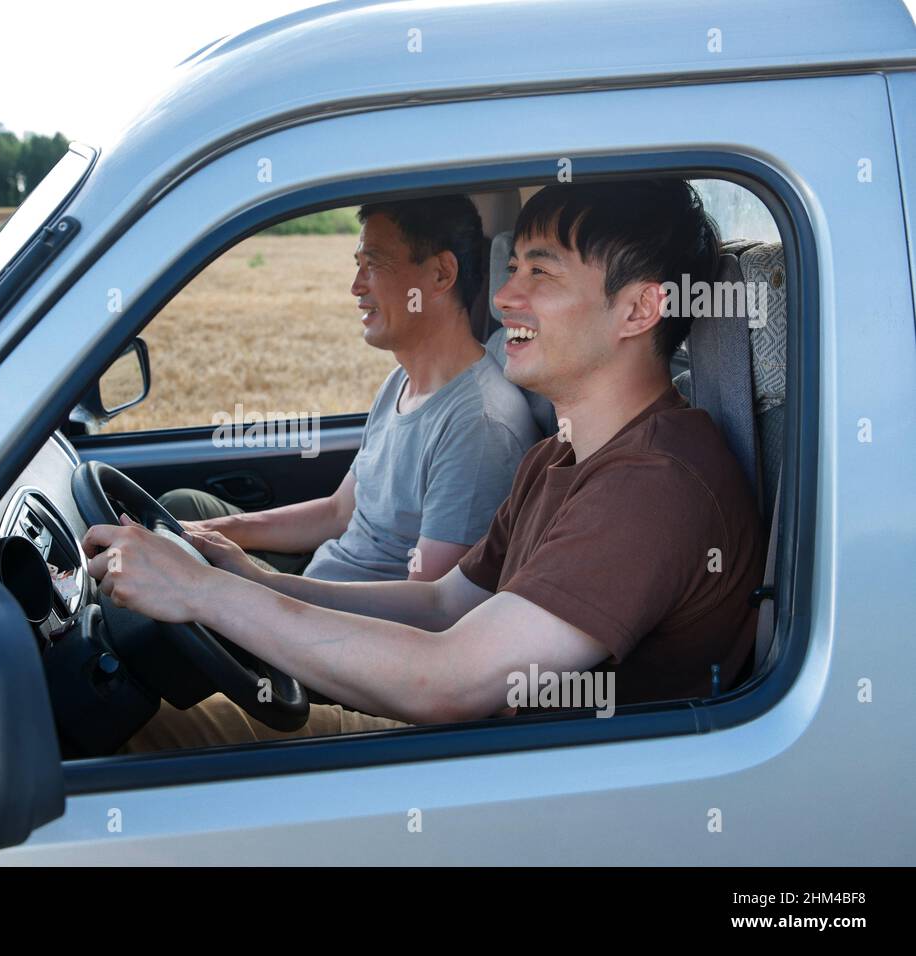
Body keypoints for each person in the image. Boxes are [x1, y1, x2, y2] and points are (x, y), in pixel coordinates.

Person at [85, 179, 765, 751]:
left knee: (144, 727)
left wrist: (205, 594)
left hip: (509, 786)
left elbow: (449, 680)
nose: (502, 299)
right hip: (482, 749)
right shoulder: (559, 455)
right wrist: (251, 577)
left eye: (541, 272)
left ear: (641, 308)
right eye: (513, 269)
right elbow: (444, 603)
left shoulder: (652, 488)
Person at [160, 195, 540, 582]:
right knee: (180, 508)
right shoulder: (401, 382)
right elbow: (339, 513)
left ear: (441, 274)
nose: (356, 287)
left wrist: (256, 587)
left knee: (169, 566)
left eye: (373, 264)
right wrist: (210, 532)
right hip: (319, 579)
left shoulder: (478, 425)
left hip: (336, 623)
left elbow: (424, 609)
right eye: (358, 265)